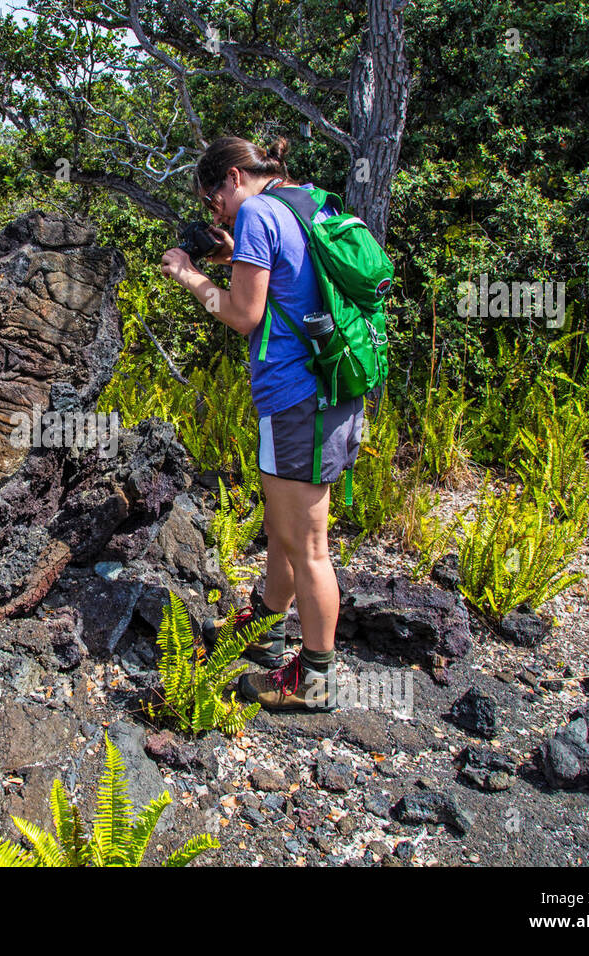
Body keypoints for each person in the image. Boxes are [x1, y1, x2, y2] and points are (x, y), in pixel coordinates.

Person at [158, 134, 364, 712]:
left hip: (298, 400)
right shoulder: (305, 201)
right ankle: (267, 629)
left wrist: (190, 276)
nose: (215, 212)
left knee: (309, 546)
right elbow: (293, 282)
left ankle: (316, 680)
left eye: (211, 199)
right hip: (332, 392)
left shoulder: (255, 214)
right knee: (284, 528)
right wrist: (230, 261)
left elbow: (244, 315)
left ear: (230, 177)